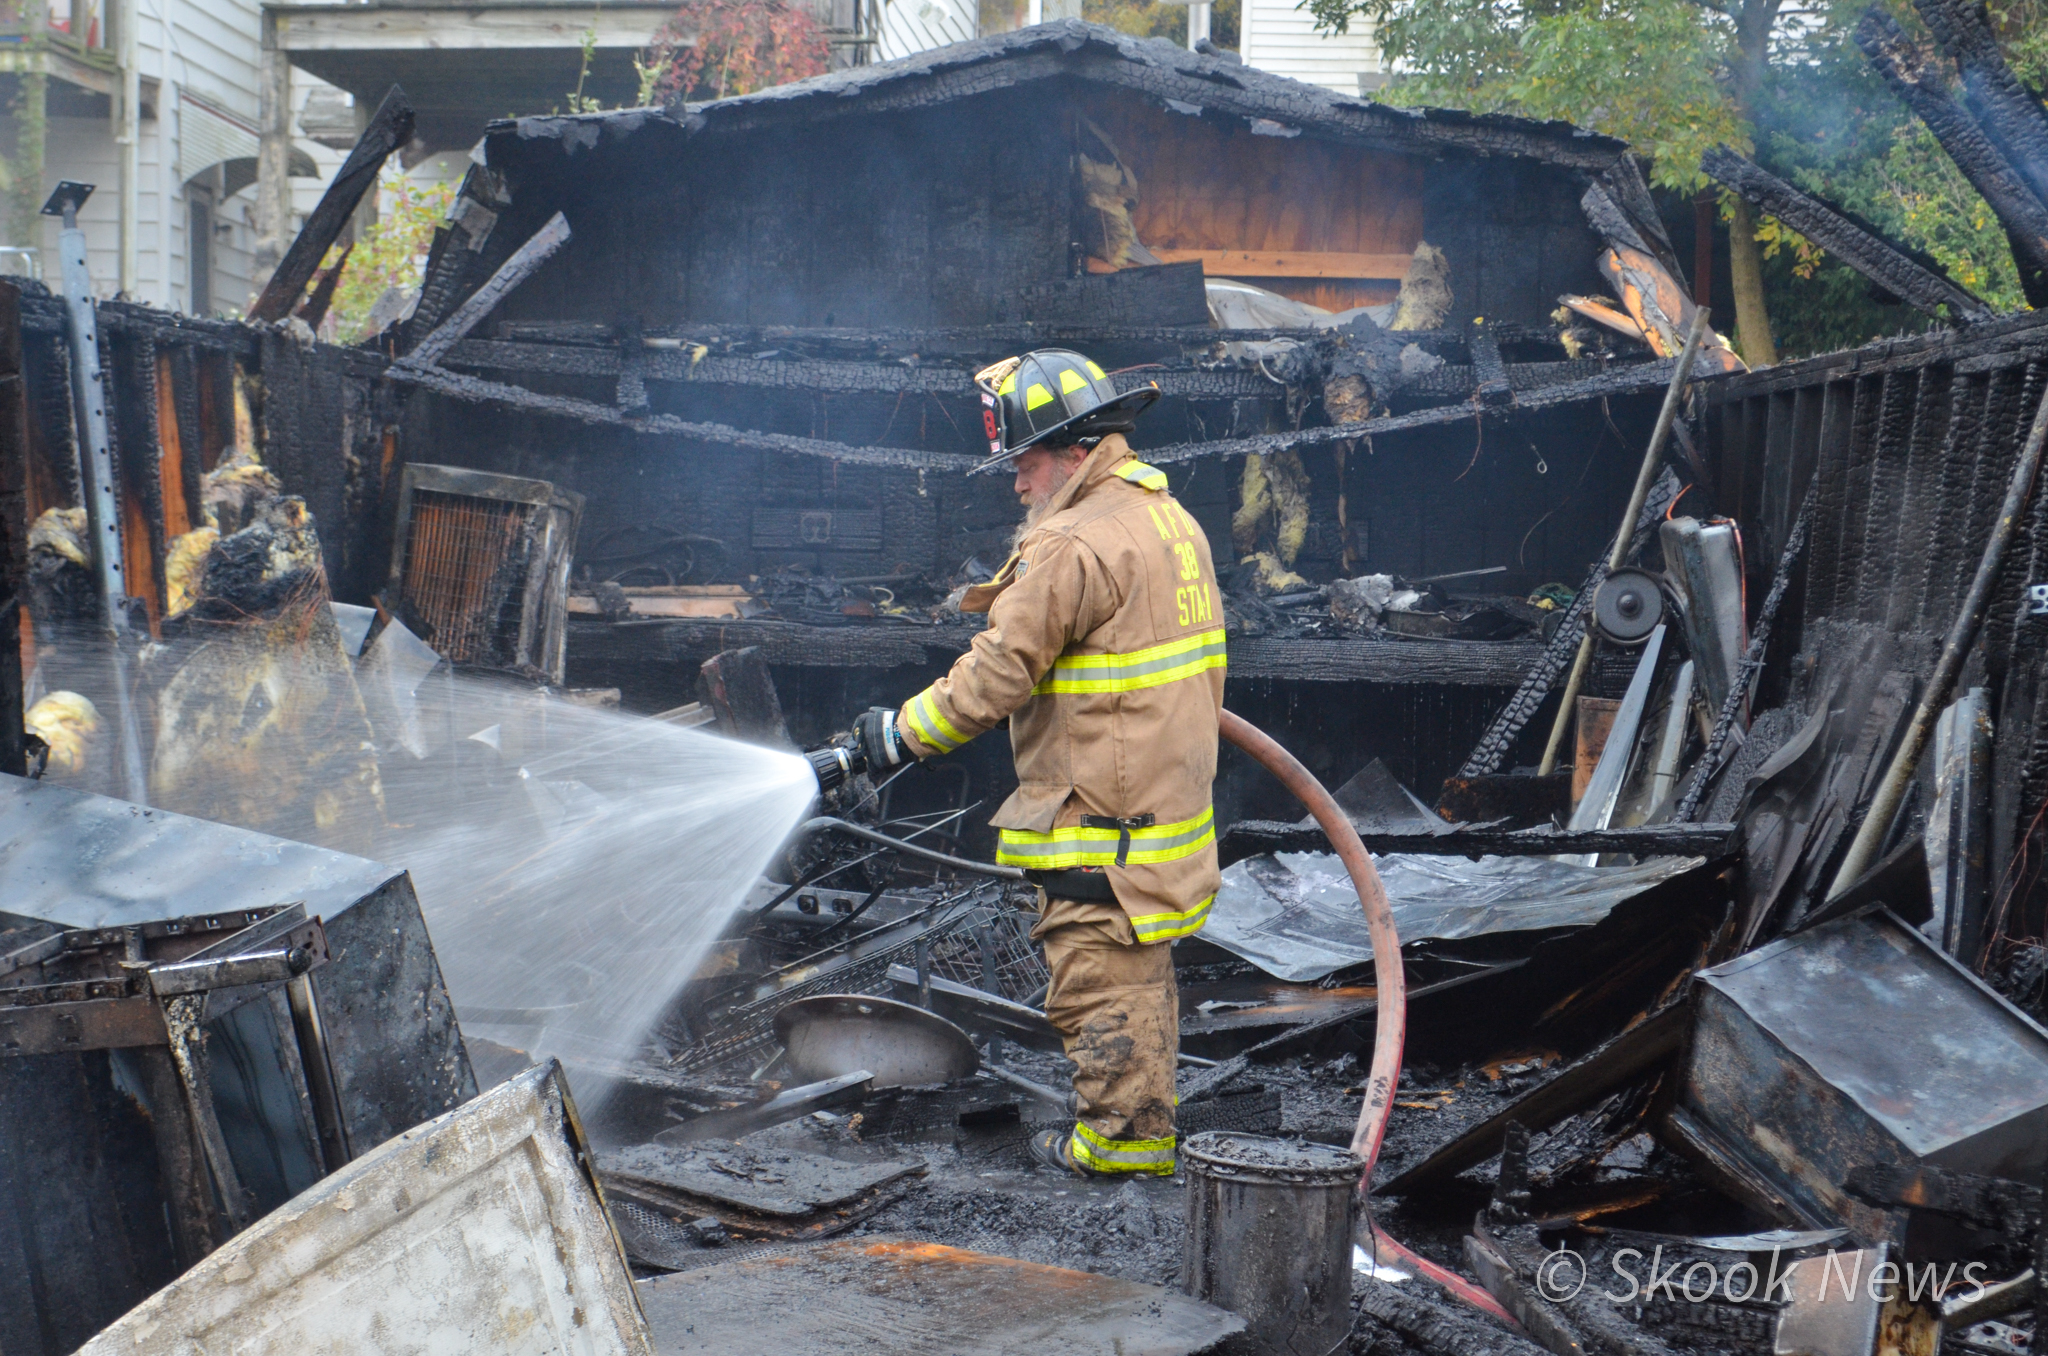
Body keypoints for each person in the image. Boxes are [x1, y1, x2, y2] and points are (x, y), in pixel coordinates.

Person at [842, 349, 1224, 1177]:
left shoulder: (1073, 541)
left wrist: (893, 738)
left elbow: (995, 675)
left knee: (1098, 977)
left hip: (1105, 817)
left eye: (1026, 462)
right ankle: (1136, 1135)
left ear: (1075, 448)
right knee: (1137, 971)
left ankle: (1120, 1157)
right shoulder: (1167, 520)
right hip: (1160, 813)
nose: (1017, 484)